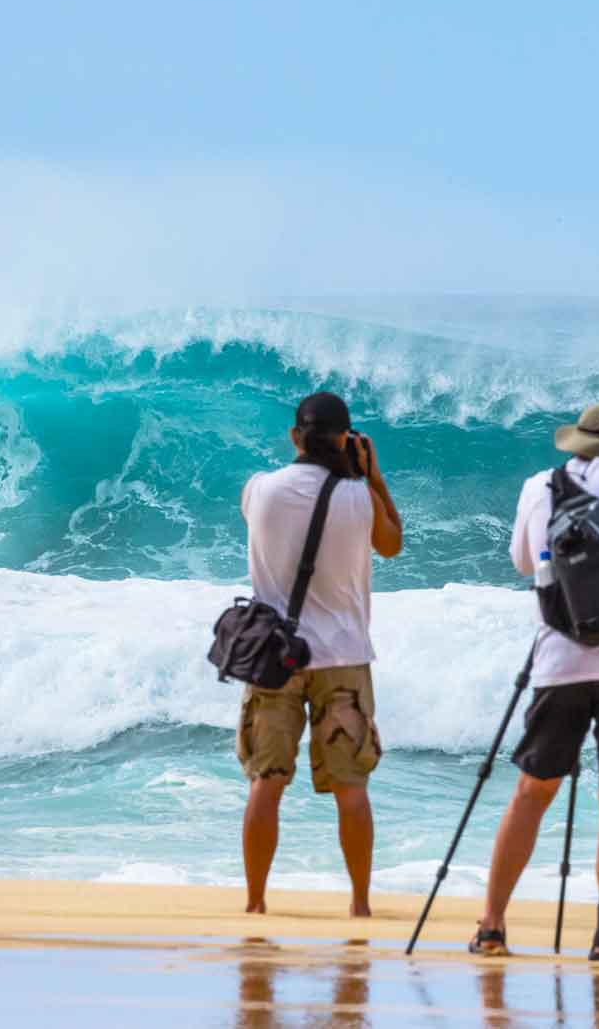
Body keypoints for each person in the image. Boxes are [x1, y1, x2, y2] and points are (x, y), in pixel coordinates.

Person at [474, 404, 599, 960]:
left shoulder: (542, 485)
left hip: (560, 663)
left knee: (531, 792)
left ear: (578, 443)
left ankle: (492, 927)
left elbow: (525, 563)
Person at [236, 392, 403, 917]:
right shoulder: (358, 498)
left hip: (274, 658)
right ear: (347, 439)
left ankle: (257, 902)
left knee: (267, 781)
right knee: (351, 786)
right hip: (343, 661)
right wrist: (372, 476)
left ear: (294, 437)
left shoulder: (259, 491)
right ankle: (359, 904)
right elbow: (393, 543)